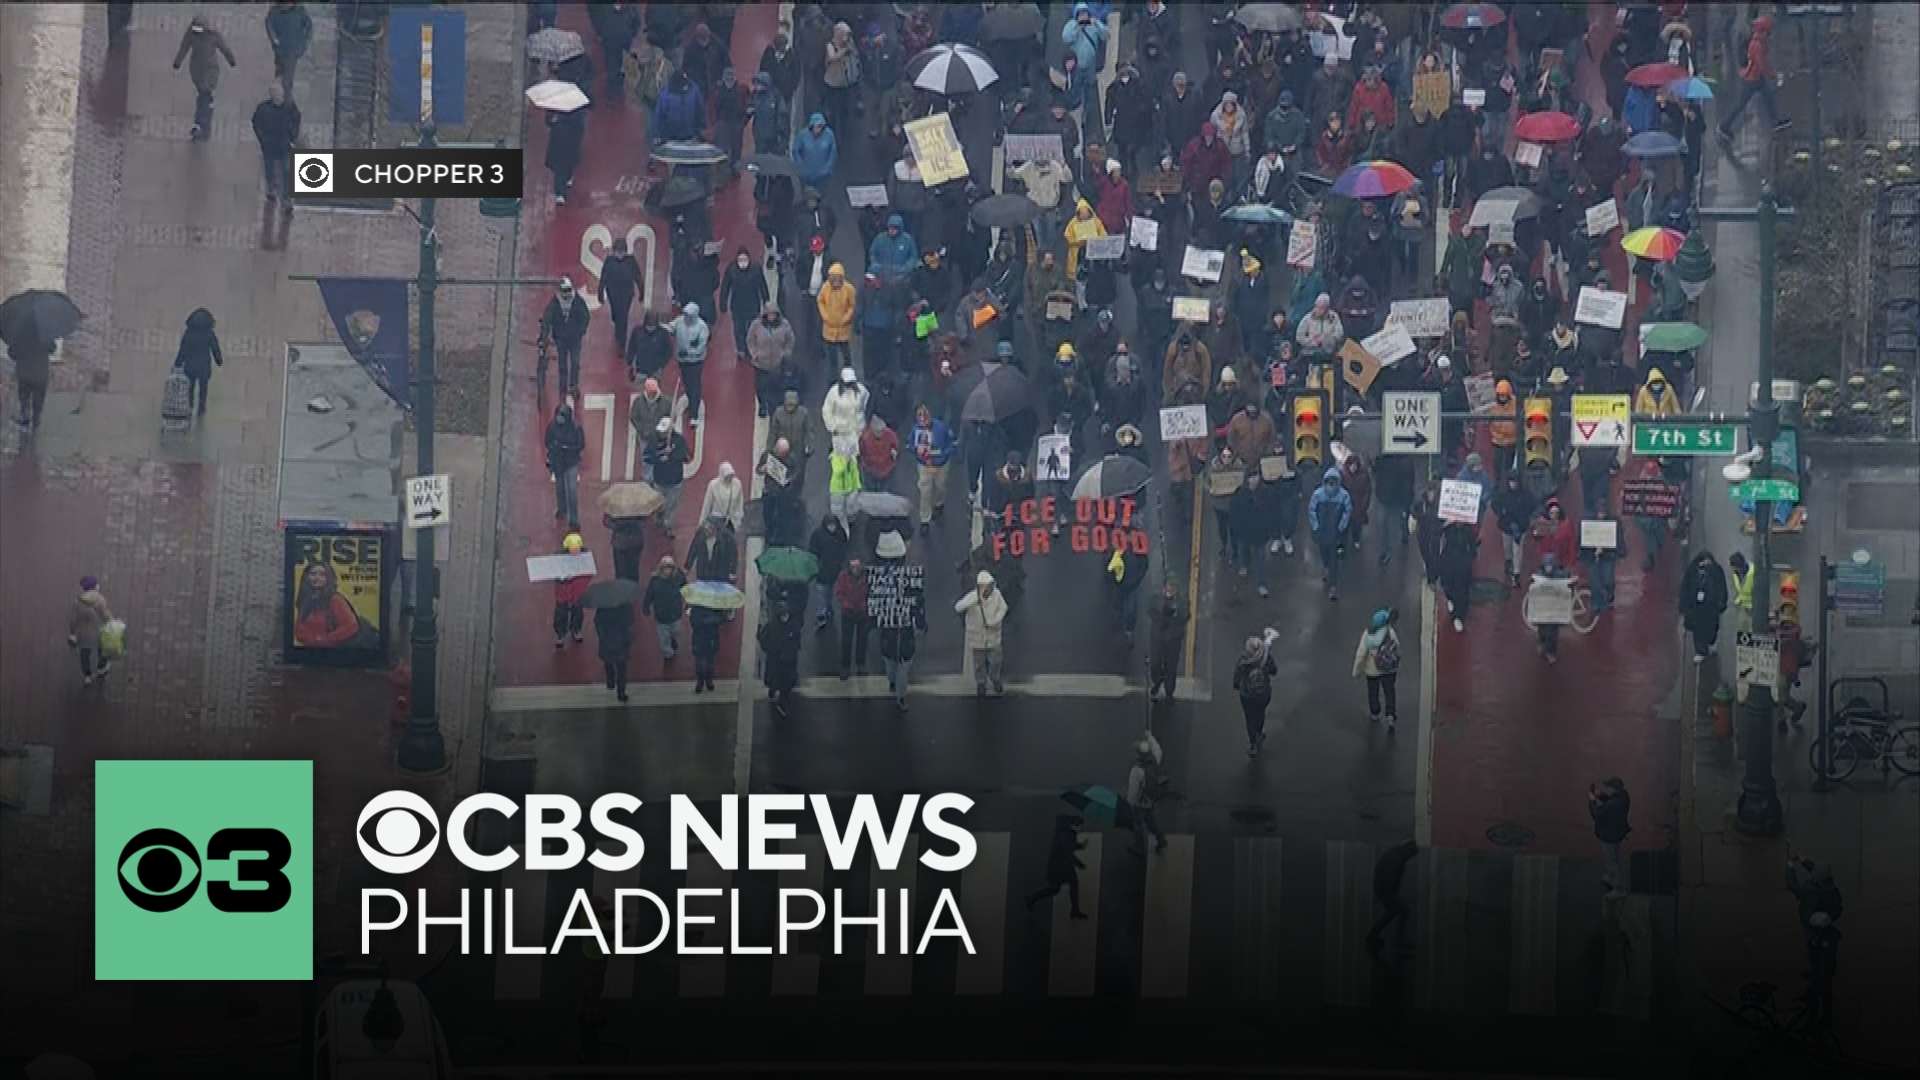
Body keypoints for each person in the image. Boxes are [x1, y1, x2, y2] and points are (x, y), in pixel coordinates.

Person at [1718, 15, 1787, 140]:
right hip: (1751, 79)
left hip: (1755, 78)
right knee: (1741, 104)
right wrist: (1773, 75)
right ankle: (1724, 126)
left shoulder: (1758, 42)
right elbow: (1761, 65)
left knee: (1768, 98)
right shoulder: (1756, 44)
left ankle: (1776, 122)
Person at [172, 16, 237, 140]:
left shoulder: (213, 35)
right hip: (196, 69)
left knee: (203, 95)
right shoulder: (190, 34)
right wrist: (177, 62)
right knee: (203, 94)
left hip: (210, 69)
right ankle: (205, 114)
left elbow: (224, 48)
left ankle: (200, 123)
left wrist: (231, 60)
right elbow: (184, 47)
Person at [1025, 815, 1090, 919]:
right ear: (1074, 825)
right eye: (1080, 826)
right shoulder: (1066, 834)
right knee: (1064, 886)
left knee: (1058, 888)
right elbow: (1067, 851)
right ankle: (1074, 910)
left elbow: (1069, 846)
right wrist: (1079, 864)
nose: (1081, 829)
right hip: (1059, 867)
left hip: (1060, 866)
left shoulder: (1067, 833)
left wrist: (1080, 846)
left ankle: (1032, 899)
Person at [955, 571, 1008, 697]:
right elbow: (958, 607)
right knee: (979, 664)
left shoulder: (997, 595)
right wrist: (971, 602)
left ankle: (995, 679)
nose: (989, 588)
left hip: (993, 636)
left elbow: (1003, 608)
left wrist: (995, 621)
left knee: (995, 661)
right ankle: (981, 684)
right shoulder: (973, 597)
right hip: (977, 638)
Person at [250, 83, 301, 209]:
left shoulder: (289, 108)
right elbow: (256, 123)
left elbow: (296, 120)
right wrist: (263, 139)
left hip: (284, 144)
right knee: (270, 169)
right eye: (274, 93)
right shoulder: (264, 108)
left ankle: (286, 198)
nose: (277, 96)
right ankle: (271, 188)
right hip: (269, 145)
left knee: (287, 170)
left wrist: (292, 137)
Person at [1365, 840, 1420, 955]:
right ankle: (1399, 940)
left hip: (1381, 887)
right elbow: (1392, 878)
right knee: (1403, 911)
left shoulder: (1394, 853)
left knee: (1392, 912)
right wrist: (1393, 893)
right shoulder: (1398, 859)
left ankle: (1374, 935)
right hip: (1386, 889)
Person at [1353, 608, 1402, 734]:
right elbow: (1397, 647)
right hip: (1388, 670)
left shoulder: (1367, 635)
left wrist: (1357, 671)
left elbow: (1361, 654)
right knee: (1389, 691)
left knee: (1373, 691)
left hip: (1372, 671)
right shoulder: (1390, 632)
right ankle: (1390, 715)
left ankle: (1375, 712)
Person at [1307, 466, 1353, 602]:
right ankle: (1326, 567)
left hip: (1335, 533)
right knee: (1324, 553)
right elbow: (1311, 511)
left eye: (1334, 482)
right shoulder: (1317, 495)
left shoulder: (1344, 495)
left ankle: (1333, 585)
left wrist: (1341, 527)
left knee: (1334, 560)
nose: (1331, 485)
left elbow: (1347, 511)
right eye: (1329, 482)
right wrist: (1316, 526)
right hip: (1322, 531)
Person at [643, 418, 691, 540]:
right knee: (659, 503)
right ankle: (659, 516)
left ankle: (668, 524)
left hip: (675, 480)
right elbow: (647, 456)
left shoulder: (679, 440)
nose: (662, 434)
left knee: (672, 504)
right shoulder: (654, 440)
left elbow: (685, 457)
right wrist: (660, 457)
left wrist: (672, 455)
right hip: (659, 479)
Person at [540, 280, 590, 397]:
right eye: (564, 291)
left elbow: (585, 316)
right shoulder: (555, 303)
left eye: (568, 290)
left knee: (575, 362)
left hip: (574, 339)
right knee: (562, 363)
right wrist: (544, 335)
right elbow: (547, 319)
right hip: (561, 339)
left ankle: (573, 385)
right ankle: (563, 385)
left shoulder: (577, 302)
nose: (566, 293)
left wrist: (580, 331)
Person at [909, 405, 954, 535]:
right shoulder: (915, 430)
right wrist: (916, 450)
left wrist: (943, 454)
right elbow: (910, 444)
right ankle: (924, 519)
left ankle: (939, 503)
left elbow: (951, 444)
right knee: (925, 491)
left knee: (940, 486)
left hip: (941, 464)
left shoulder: (941, 427)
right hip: (924, 465)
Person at [1232, 631, 1278, 757]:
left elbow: (1237, 675)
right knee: (1260, 714)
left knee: (1249, 718)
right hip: (1263, 695)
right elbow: (1274, 671)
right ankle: (1259, 731)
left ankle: (1253, 743)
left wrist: (1236, 685)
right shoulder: (1266, 658)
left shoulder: (1243, 660)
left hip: (1247, 696)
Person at [746, 304, 796, 417]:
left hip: (777, 363)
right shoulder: (756, 325)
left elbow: (790, 340)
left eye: (773, 314)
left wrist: (785, 353)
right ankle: (763, 405)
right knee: (761, 386)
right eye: (769, 314)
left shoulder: (784, 325)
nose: (771, 316)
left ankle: (775, 407)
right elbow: (750, 340)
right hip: (760, 363)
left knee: (776, 386)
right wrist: (754, 354)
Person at [1125, 733, 1169, 857]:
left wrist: (1130, 803)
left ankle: (1139, 846)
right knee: (1149, 819)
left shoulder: (1136, 770)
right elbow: (1158, 750)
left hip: (1140, 801)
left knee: (1138, 823)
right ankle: (1160, 838)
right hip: (1151, 799)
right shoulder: (1155, 762)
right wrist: (1150, 736)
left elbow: (1133, 792)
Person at [173, 308, 224, 417]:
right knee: (203, 387)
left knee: (190, 386)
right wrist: (219, 360)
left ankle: (189, 404)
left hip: (190, 365)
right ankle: (201, 406)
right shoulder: (209, 333)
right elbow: (215, 348)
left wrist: (178, 362)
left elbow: (183, 349)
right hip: (203, 366)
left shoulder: (188, 333)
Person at [718, 249, 768, 358]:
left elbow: (762, 286)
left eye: (745, 259)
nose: (743, 262)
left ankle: (751, 347)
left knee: (753, 327)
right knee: (738, 328)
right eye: (740, 259)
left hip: (752, 305)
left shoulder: (756, 269)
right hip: (737, 306)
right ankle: (741, 348)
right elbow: (725, 287)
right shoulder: (731, 270)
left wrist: (766, 301)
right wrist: (723, 303)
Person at [1679, 552, 1729, 661]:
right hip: (1696, 608)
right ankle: (1700, 651)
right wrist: (1684, 607)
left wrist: (1721, 604)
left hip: (1710, 607)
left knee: (1711, 628)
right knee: (1697, 630)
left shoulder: (1716, 571)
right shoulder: (1691, 571)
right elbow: (1685, 588)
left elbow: (1721, 588)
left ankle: (1711, 642)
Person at [67, 577, 115, 686]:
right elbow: (105, 615)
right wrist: (112, 623)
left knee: (84, 654)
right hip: (98, 631)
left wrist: (72, 633)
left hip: (84, 633)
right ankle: (101, 668)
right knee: (102, 650)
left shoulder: (78, 601)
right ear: (95, 586)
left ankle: (87, 675)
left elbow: (74, 619)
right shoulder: (100, 599)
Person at [1588, 777, 1632, 898]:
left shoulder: (1612, 805)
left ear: (1613, 789)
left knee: (1611, 862)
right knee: (1616, 858)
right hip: (1619, 833)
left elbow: (1597, 816)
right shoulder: (1623, 797)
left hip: (1609, 836)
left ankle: (1618, 888)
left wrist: (1592, 802)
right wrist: (1600, 797)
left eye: (1608, 787)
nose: (1606, 789)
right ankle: (1612, 879)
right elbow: (1610, 800)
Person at [545, 400, 586, 526]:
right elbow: (547, 442)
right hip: (558, 462)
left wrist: (566, 448)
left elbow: (581, 445)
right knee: (560, 488)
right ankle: (562, 509)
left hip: (571, 463)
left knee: (572, 490)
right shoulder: (552, 426)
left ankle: (574, 519)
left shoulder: (576, 428)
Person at [599, 239, 642, 359]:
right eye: (618, 251)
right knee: (616, 315)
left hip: (626, 294)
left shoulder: (631, 261)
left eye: (622, 251)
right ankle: (617, 325)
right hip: (613, 293)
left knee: (623, 318)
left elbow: (638, 276)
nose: (620, 254)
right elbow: (604, 277)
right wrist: (600, 292)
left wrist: (641, 291)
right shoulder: (609, 261)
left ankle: (621, 345)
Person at [759, 601, 803, 717]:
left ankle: (783, 702)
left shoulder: (793, 625)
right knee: (776, 679)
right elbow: (764, 640)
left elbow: (796, 641)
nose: (784, 617)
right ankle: (774, 691)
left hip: (788, 660)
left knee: (786, 683)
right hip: (777, 660)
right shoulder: (773, 627)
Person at [641, 555, 686, 663]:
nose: (668, 570)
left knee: (676, 631)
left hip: (675, 612)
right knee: (663, 637)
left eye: (670, 567)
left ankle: (672, 639)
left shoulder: (679, 576)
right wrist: (646, 607)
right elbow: (649, 595)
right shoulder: (655, 580)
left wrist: (688, 601)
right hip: (661, 615)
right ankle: (668, 654)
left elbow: (685, 588)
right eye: (665, 567)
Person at [808, 515, 850, 631]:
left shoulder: (840, 534)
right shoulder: (818, 535)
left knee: (828, 592)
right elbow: (812, 550)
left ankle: (826, 609)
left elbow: (844, 550)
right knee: (821, 593)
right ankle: (822, 614)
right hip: (823, 571)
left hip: (833, 571)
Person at [672, 304, 711, 424]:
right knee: (687, 383)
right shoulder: (679, 322)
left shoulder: (702, 328)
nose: (687, 317)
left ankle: (694, 414)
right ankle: (691, 400)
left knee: (694, 385)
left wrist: (689, 353)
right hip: (682, 361)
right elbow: (672, 327)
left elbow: (700, 347)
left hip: (695, 362)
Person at [1529, 553, 1572, 663]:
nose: (1548, 569)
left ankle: (1550, 652)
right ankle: (1542, 642)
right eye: (1546, 566)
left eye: (1550, 566)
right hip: (1543, 610)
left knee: (1552, 633)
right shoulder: (1539, 575)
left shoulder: (1559, 575)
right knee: (1543, 630)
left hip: (1553, 610)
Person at [833, 556, 871, 678]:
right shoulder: (843, 577)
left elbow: (871, 592)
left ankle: (861, 664)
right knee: (846, 641)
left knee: (862, 640)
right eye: (853, 567)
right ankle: (845, 666)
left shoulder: (867, 577)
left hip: (862, 612)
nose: (855, 569)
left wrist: (864, 604)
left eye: (857, 567)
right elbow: (839, 593)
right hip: (848, 612)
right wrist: (847, 605)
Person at [815, 264, 857, 372]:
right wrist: (825, 316)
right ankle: (833, 376)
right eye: (833, 278)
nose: (835, 281)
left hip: (843, 329)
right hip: (829, 328)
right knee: (832, 357)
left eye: (838, 278)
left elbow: (852, 305)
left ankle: (848, 373)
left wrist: (846, 318)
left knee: (846, 354)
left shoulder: (849, 289)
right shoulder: (825, 288)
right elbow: (820, 301)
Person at [595, 593, 635, 703]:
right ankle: (621, 692)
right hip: (621, 640)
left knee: (608, 662)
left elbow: (597, 623)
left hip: (607, 640)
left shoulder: (602, 608)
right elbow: (630, 620)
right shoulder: (625, 606)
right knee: (621, 667)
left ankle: (610, 681)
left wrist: (601, 635)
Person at [264, 1, 312, 93]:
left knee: (287, 80)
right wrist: (274, 40)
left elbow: (308, 27)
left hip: (293, 50)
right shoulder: (275, 11)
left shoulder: (300, 11)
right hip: (280, 50)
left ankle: (285, 99)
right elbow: (269, 24)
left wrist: (303, 45)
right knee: (279, 75)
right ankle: (279, 98)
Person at [1147, 584, 1185, 701]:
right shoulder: (1156, 599)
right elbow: (1149, 610)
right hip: (1158, 637)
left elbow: (1185, 615)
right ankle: (1157, 681)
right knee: (1155, 663)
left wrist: (1175, 613)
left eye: (1172, 589)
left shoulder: (1181, 602)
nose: (1169, 591)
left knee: (1171, 666)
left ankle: (1169, 692)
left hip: (1173, 639)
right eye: (1168, 588)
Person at [551, 533, 589, 647]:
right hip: (563, 593)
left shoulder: (585, 558)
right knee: (561, 613)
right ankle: (560, 634)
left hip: (577, 592)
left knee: (577, 611)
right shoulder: (559, 559)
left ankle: (576, 629)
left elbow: (587, 574)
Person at [689, 601, 726, 694]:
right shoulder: (699, 606)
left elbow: (722, 619)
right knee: (703, 660)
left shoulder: (696, 605)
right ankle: (703, 680)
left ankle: (706, 680)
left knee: (707, 660)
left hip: (706, 636)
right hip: (704, 636)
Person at [699, 462, 745, 534]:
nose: (729, 478)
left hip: (731, 521)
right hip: (716, 520)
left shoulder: (737, 484)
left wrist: (739, 519)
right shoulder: (713, 485)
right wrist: (702, 523)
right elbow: (707, 504)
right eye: (727, 475)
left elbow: (739, 503)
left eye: (731, 475)